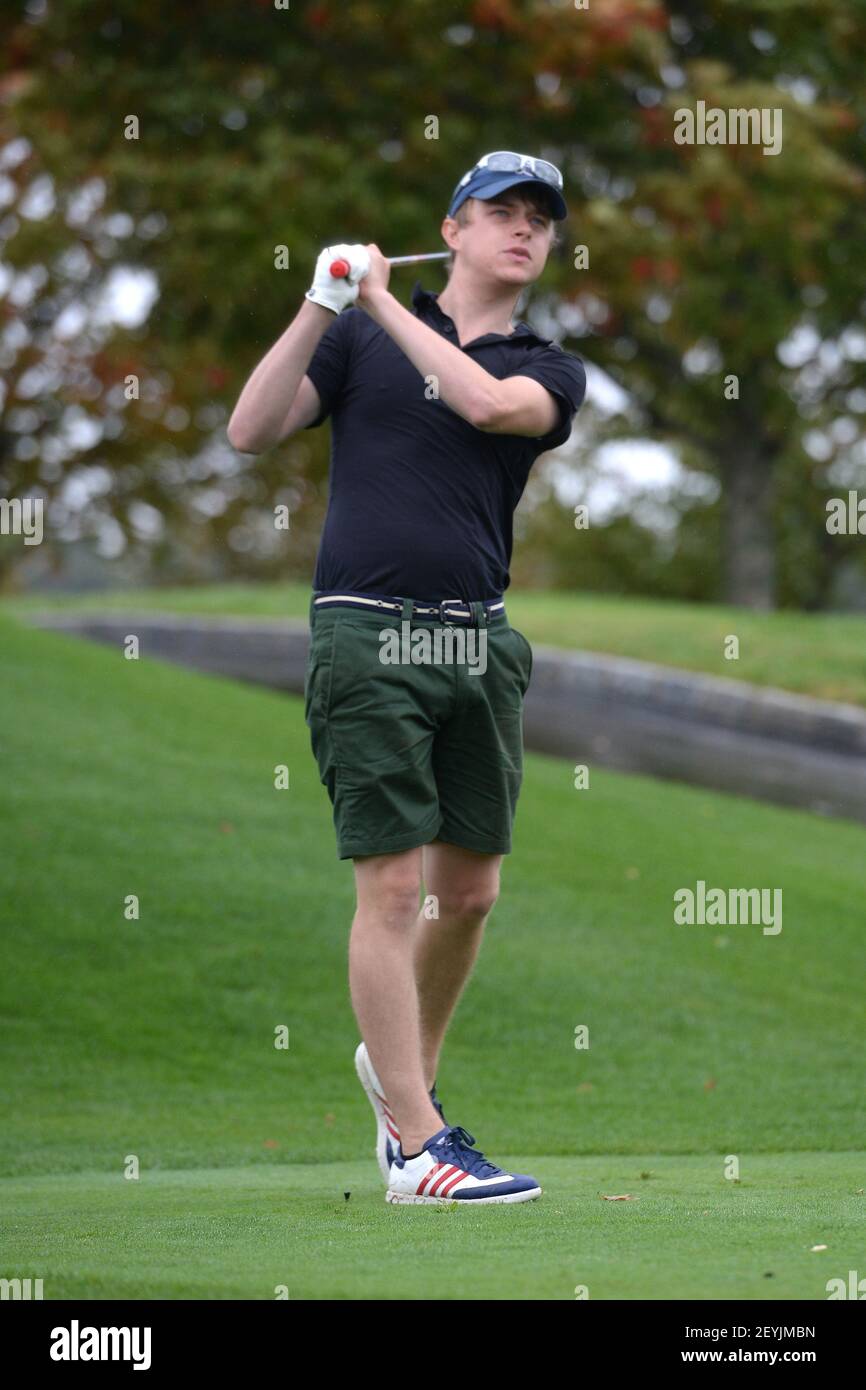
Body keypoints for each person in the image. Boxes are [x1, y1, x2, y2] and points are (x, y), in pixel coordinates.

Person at [228, 152, 587, 1204]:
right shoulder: (352, 339)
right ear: (454, 228)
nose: (521, 230)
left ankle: (397, 1083)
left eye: (539, 219)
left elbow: (479, 405)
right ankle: (414, 1143)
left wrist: (379, 300)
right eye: (499, 213)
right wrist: (319, 302)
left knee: (469, 892)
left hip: (476, 640)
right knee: (390, 884)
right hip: (365, 633)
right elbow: (249, 429)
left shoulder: (548, 369)